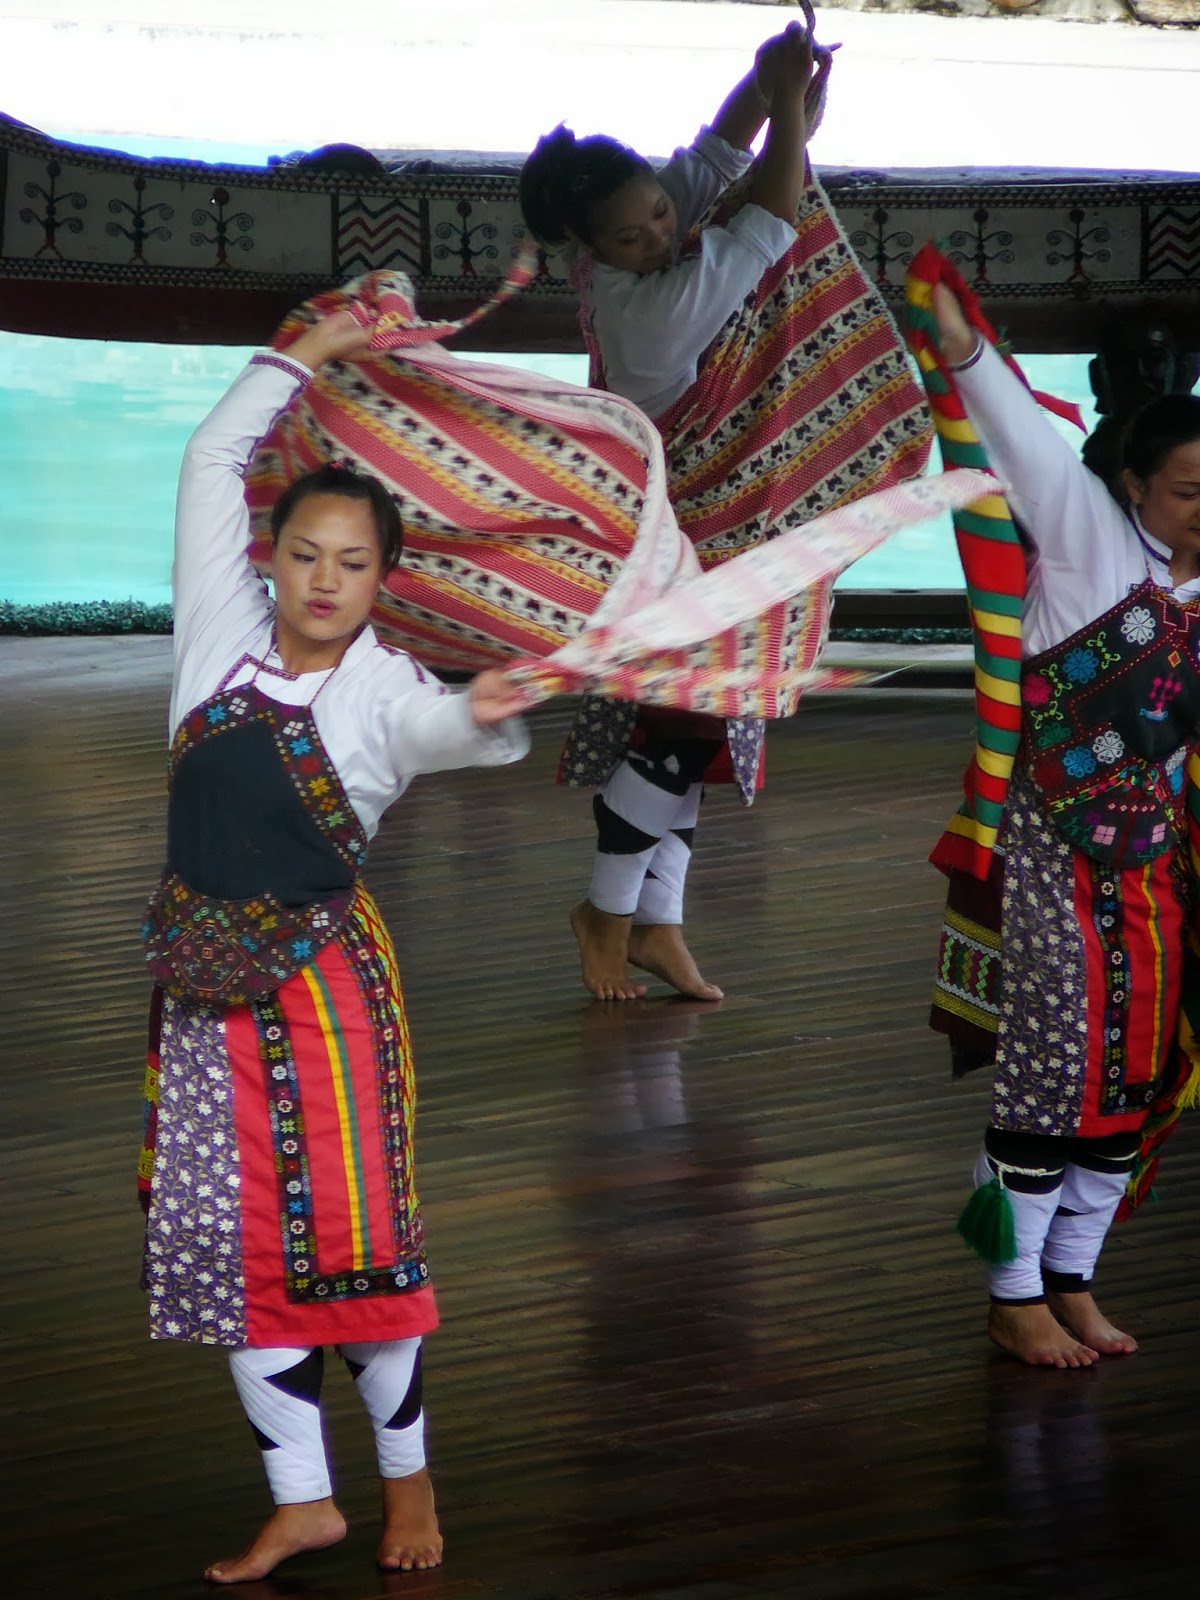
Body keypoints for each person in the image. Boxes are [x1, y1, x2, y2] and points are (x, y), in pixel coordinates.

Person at [137, 309, 529, 1583]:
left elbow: (429, 735)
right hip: (201, 991)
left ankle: (409, 1478)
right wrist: (303, 348)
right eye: (303, 553)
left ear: (379, 581)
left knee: (355, 1244)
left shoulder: (380, 690)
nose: (320, 580)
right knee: (240, 1241)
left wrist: (478, 707)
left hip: (322, 998)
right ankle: (303, 1497)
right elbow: (209, 461)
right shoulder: (219, 634)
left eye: (350, 564)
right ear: (275, 557)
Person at [519, 15, 929, 1004]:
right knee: (687, 720)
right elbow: (769, 222)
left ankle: (659, 923)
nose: (661, 230)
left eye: (660, 212)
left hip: (719, 519)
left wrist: (764, 83)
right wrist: (792, 108)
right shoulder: (651, 308)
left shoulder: (648, 244)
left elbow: (716, 157)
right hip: (705, 520)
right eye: (634, 231)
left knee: (704, 715)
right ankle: (606, 912)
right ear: (590, 246)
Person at [928, 279, 1200, 1369]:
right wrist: (957, 345)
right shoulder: (1086, 537)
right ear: (1134, 484)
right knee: (1052, 1066)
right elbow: (1021, 439)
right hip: (1050, 848)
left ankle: (1073, 1280)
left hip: (1151, 864)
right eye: (1187, 491)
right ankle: (1011, 1294)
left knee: (1133, 1076)